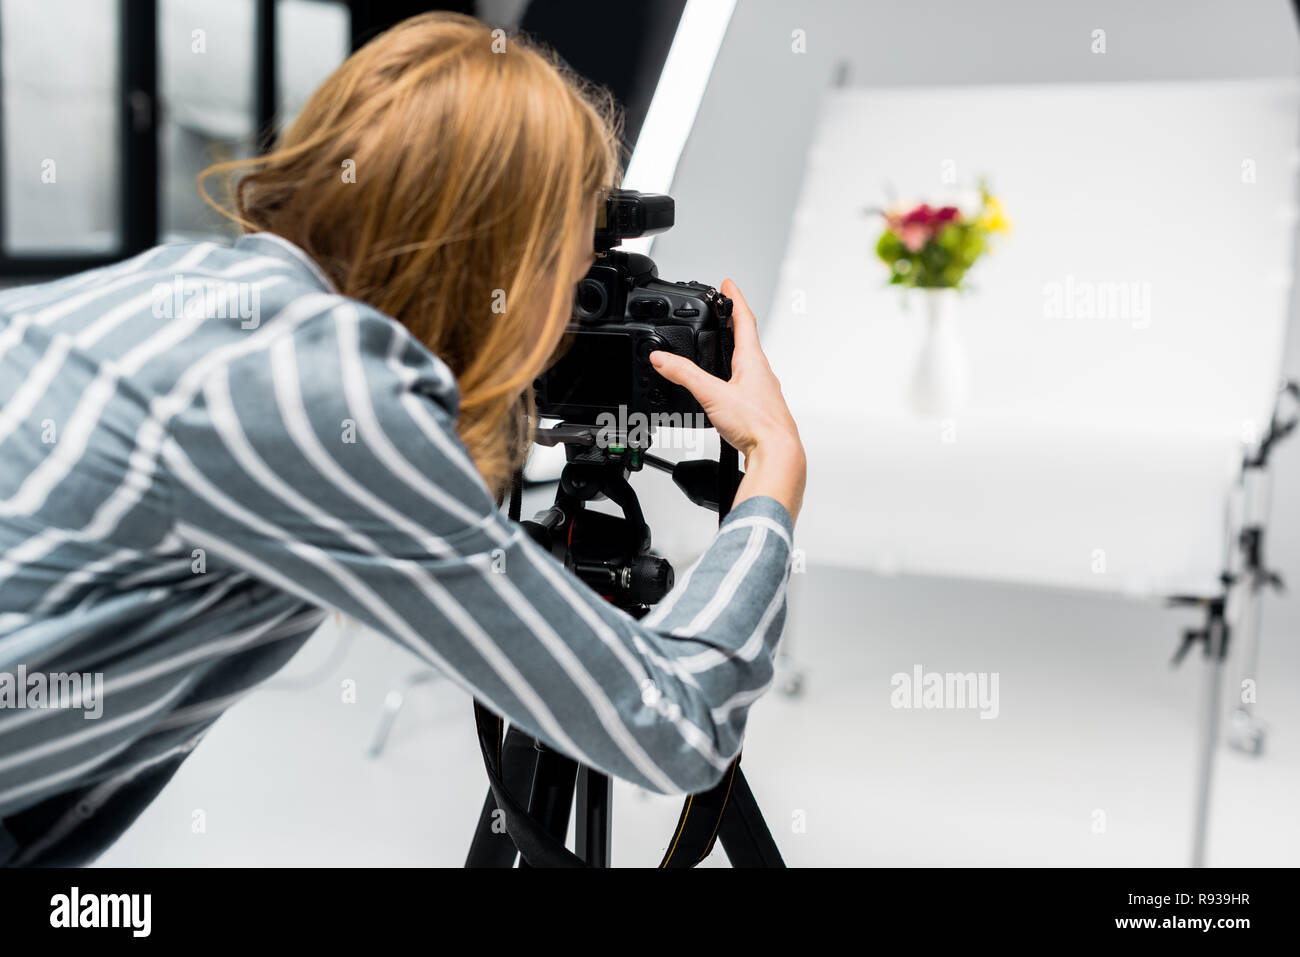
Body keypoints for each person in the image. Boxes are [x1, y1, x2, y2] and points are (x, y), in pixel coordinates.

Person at [0, 11, 805, 866]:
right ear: (507, 259)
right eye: (569, 272)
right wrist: (770, 472)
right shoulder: (332, 399)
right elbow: (675, 724)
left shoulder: (189, 283)